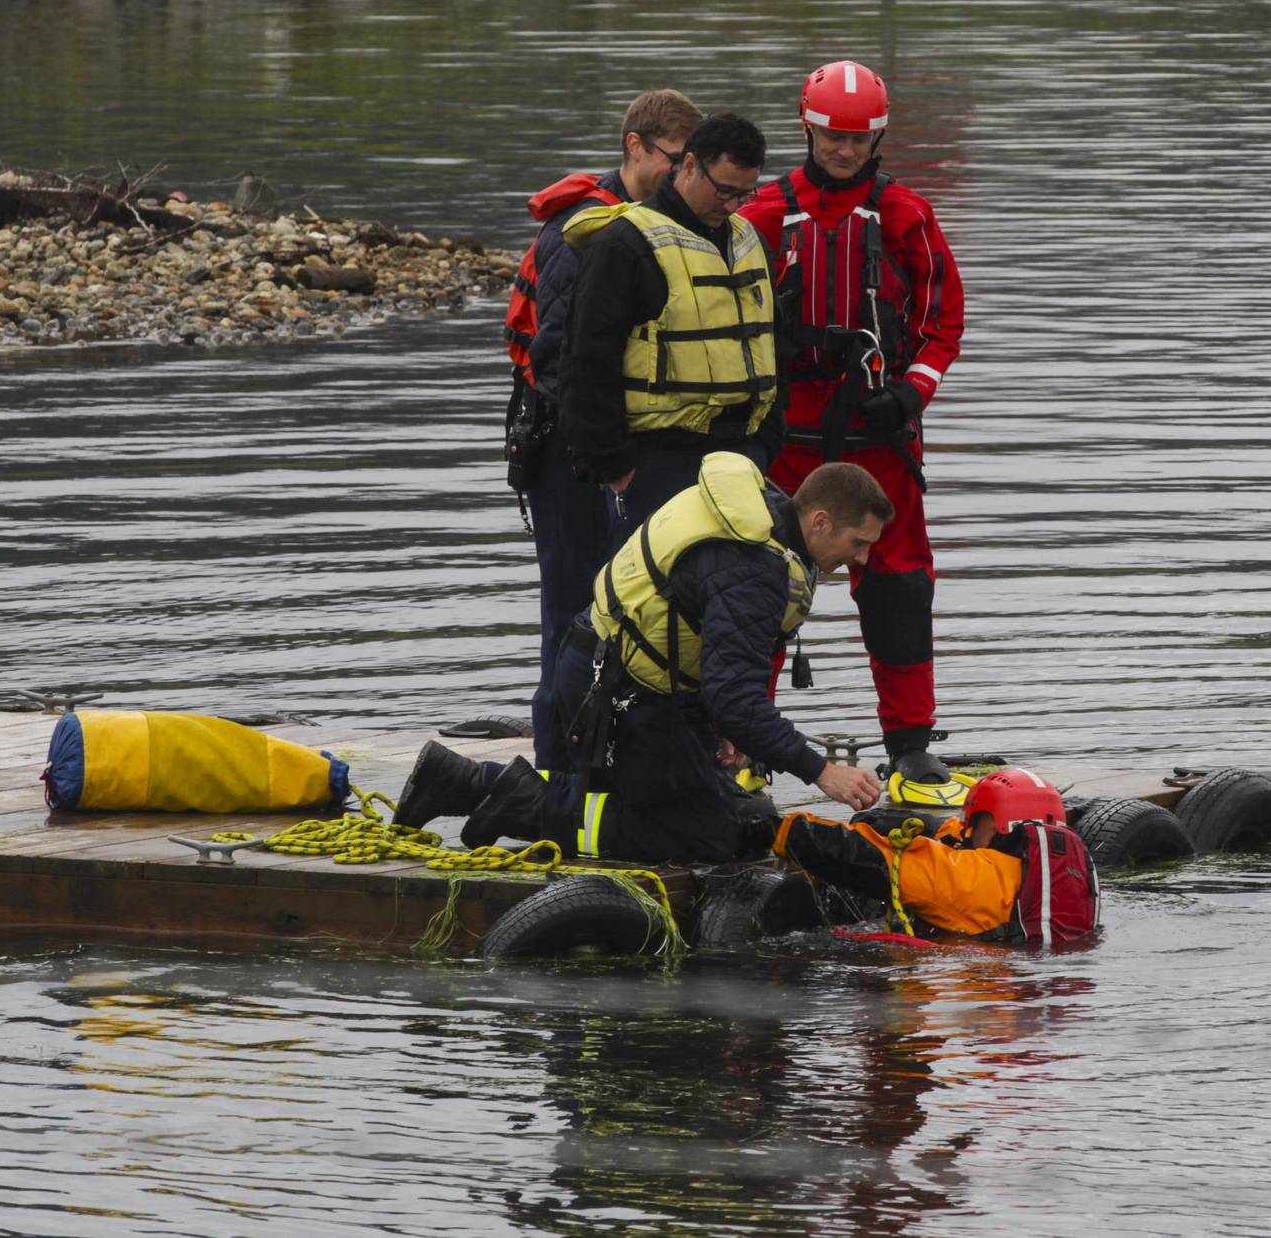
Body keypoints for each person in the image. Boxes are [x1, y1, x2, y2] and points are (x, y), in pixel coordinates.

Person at [393, 454, 890, 864]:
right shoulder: (754, 568)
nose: (862, 559)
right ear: (820, 521)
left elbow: (715, 662)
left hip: (625, 670)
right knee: (706, 837)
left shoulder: (766, 518)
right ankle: (509, 802)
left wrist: (724, 725)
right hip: (616, 690)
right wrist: (822, 771)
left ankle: (460, 779)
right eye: (858, 543)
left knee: (746, 813)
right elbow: (735, 696)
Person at [735, 61, 965, 787]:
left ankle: (909, 742)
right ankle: (739, 746)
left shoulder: (905, 217)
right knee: (756, 584)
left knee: (899, 587)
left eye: (860, 138)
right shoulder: (763, 218)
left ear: (879, 137)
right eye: (833, 136)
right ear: (808, 128)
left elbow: (942, 318)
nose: (844, 150)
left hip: (880, 439)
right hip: (787, 441)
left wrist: (909, 393)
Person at [503, 89, 704, 767]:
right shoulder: (581, 231)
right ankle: (558, 769)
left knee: (632, 606)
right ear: (635, 147)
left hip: (625, 447)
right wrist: (607, 454)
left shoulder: (660, 226)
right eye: (672, 161)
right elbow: (552, 359)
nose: (681, 178)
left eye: (690, 166)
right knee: (573, 608)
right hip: (569, 450)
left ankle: (618, 757)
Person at [559, 111, 782, 551]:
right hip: (656, 462)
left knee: (745, 597)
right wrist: (619, 469)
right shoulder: (622, 245)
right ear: (691, 165)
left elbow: (776, 343)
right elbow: (586, 364)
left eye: (745, 193)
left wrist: (769, 441)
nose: (733, 205)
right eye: (724, 190)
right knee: (656, 606)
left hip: (743, 455)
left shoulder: (750, 241)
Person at [771, 768, 1100, 945]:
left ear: (997, 826)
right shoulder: (1069, 870)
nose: (966, 829)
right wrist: (915, 826)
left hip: (972, 987)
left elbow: (867, 857)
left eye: (974, 821)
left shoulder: (970, 878)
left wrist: (780, 831)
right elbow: (957, 841)